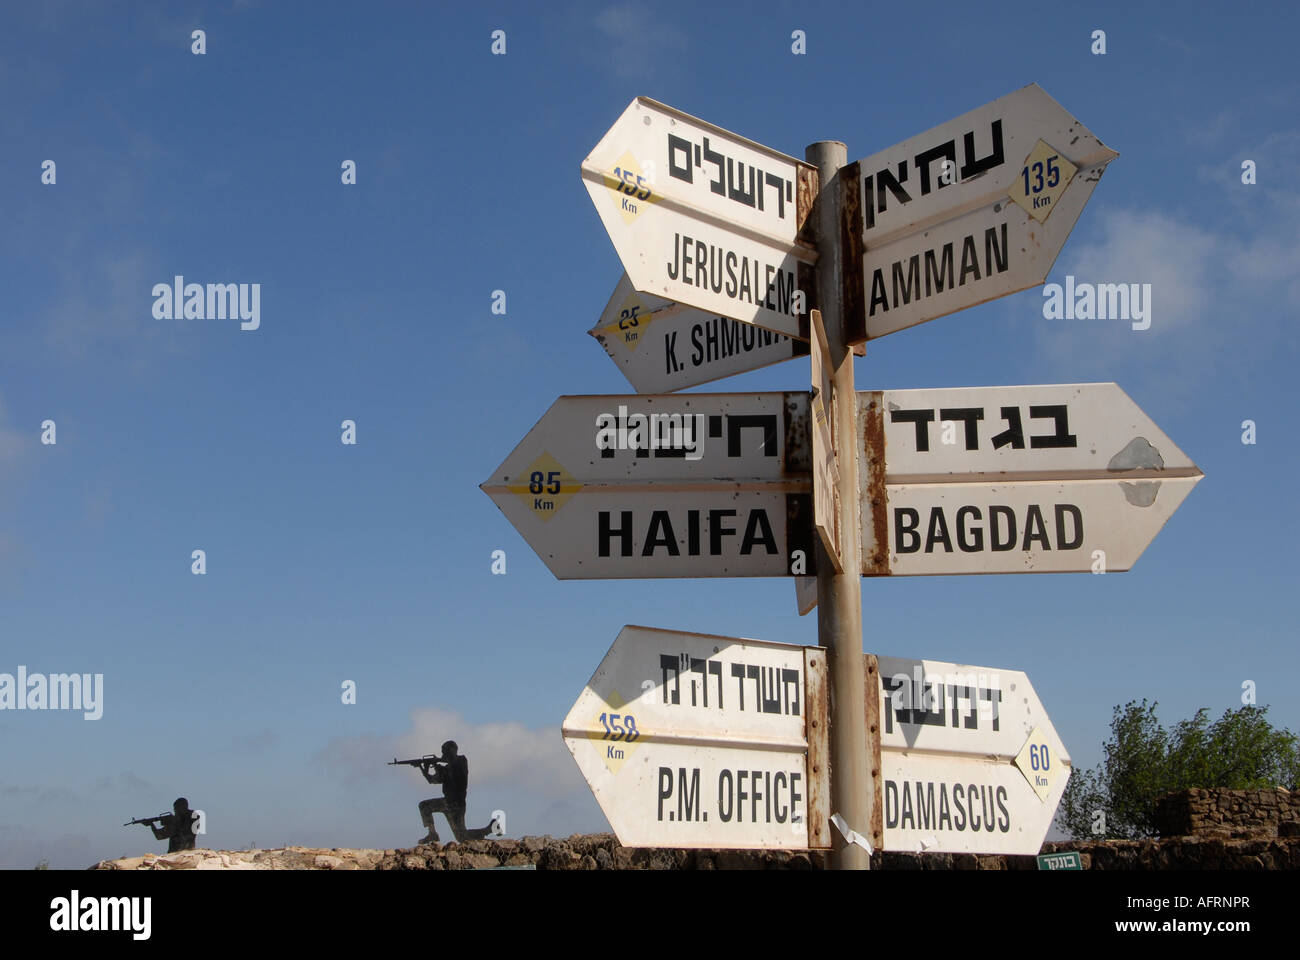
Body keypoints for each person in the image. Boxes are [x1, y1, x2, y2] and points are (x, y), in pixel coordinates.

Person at [416, 741, 499, 844]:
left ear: (452, 750)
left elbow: (453, 771)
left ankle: (432, 833)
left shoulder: (461, 761)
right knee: (461, 837)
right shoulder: (446, 768)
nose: (443, 755)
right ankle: (432, 833)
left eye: (444, 752)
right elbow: (432, 780)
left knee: (425, 806)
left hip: (455, 804)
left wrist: (437, 766)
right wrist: (423, 768)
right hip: (450, 803)